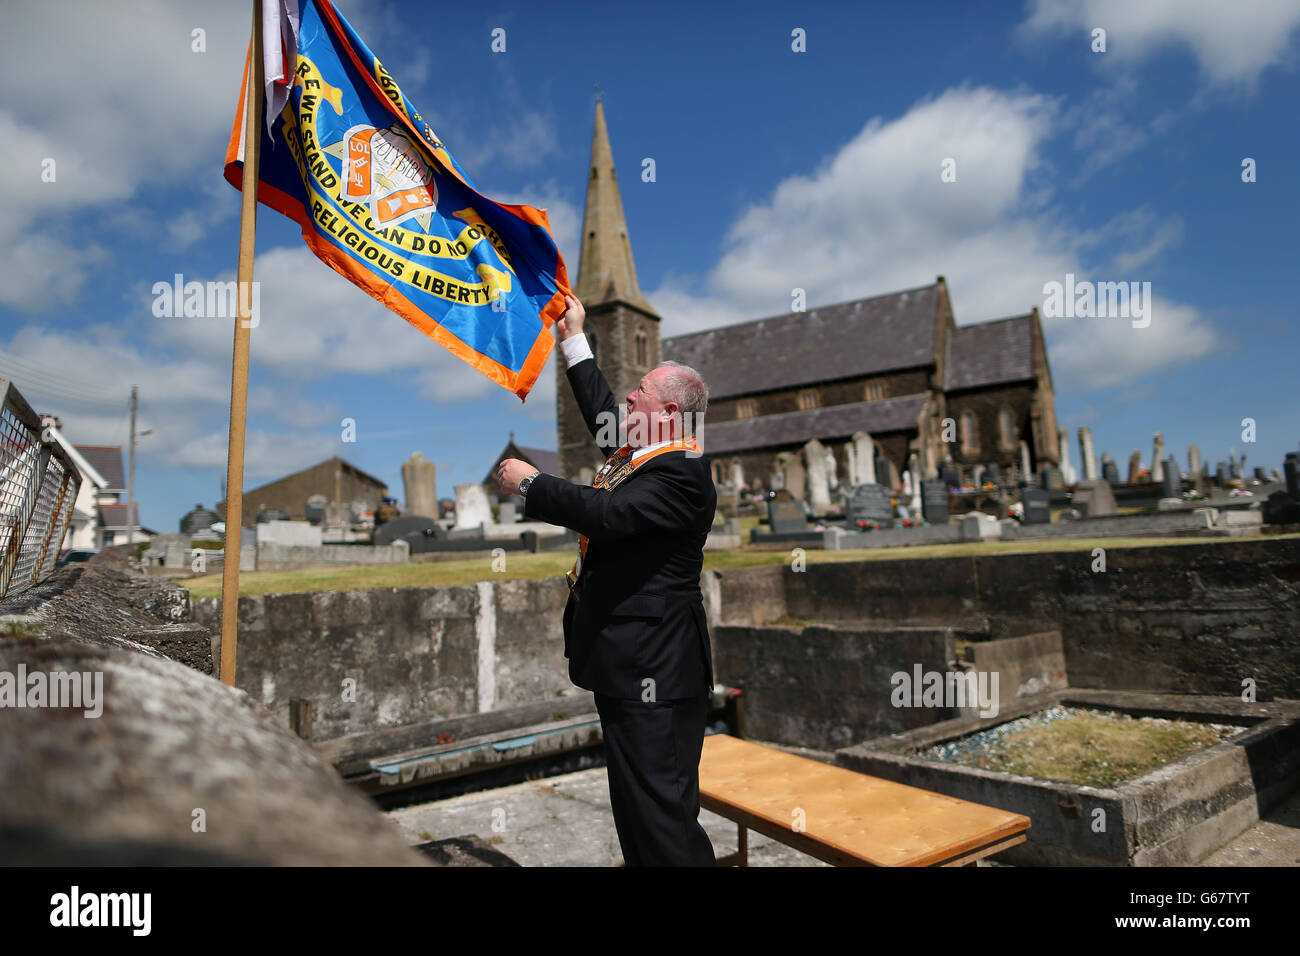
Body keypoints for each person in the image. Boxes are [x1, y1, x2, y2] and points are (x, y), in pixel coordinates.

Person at [496, 293, 717, 867]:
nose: (629, 397)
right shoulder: (646, 455)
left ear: (667, 412)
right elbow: (601, 415)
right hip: (630, 666)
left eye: (640, 391)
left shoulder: (684, 473)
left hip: (656, 674)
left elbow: (608, 516)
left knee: (663, 820)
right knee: (640, 814)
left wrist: (532, 484)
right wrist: (574, 336)